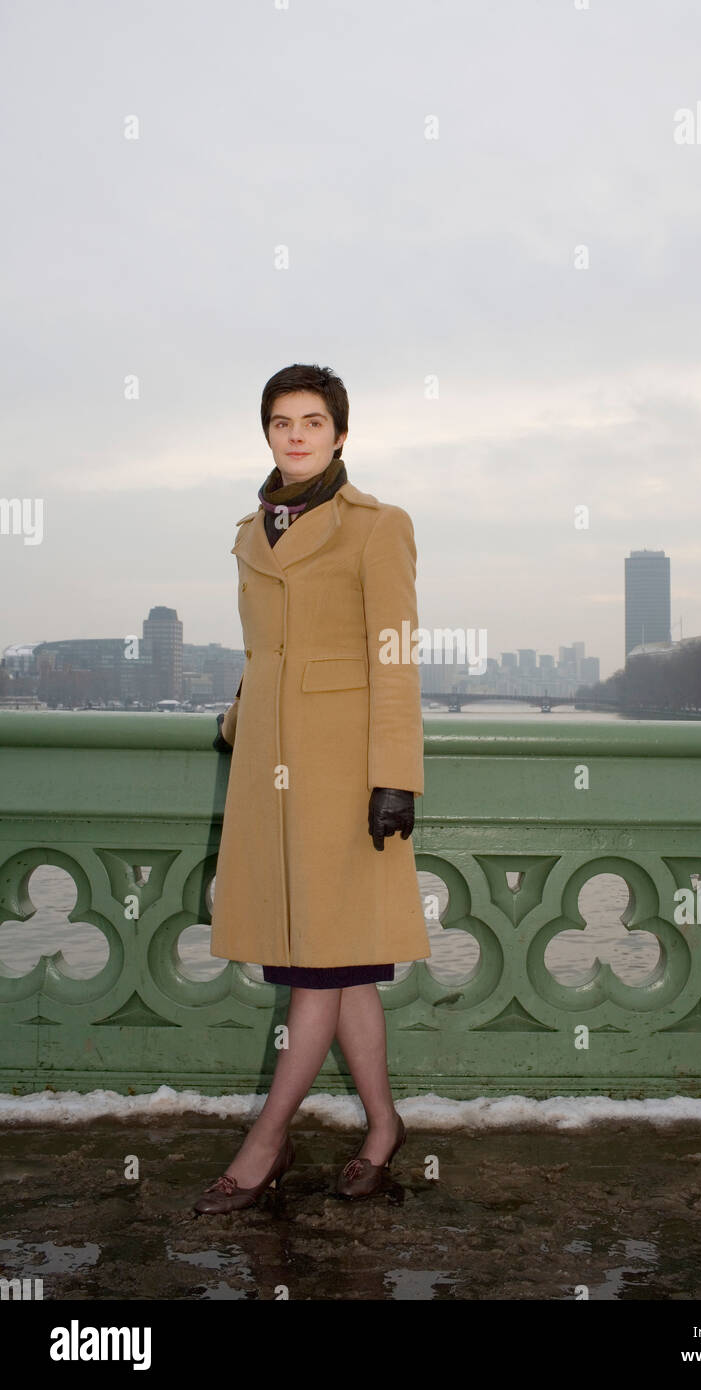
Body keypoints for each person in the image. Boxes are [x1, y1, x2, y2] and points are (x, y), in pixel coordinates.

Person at [192, 363, 431, 1213]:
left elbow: (393, 657)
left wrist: (396, 778)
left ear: (339, 433)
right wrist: (239, 720)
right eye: (281, 422)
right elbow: (270, 656)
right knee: (344, 970)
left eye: (313, 421)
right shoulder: (253, 531)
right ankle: (383, 1128)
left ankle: (267, 1140)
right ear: (267, 434)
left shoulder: (378, 526)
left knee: (316, 974)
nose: (296, 435)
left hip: (345, 782)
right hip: (271, 773)